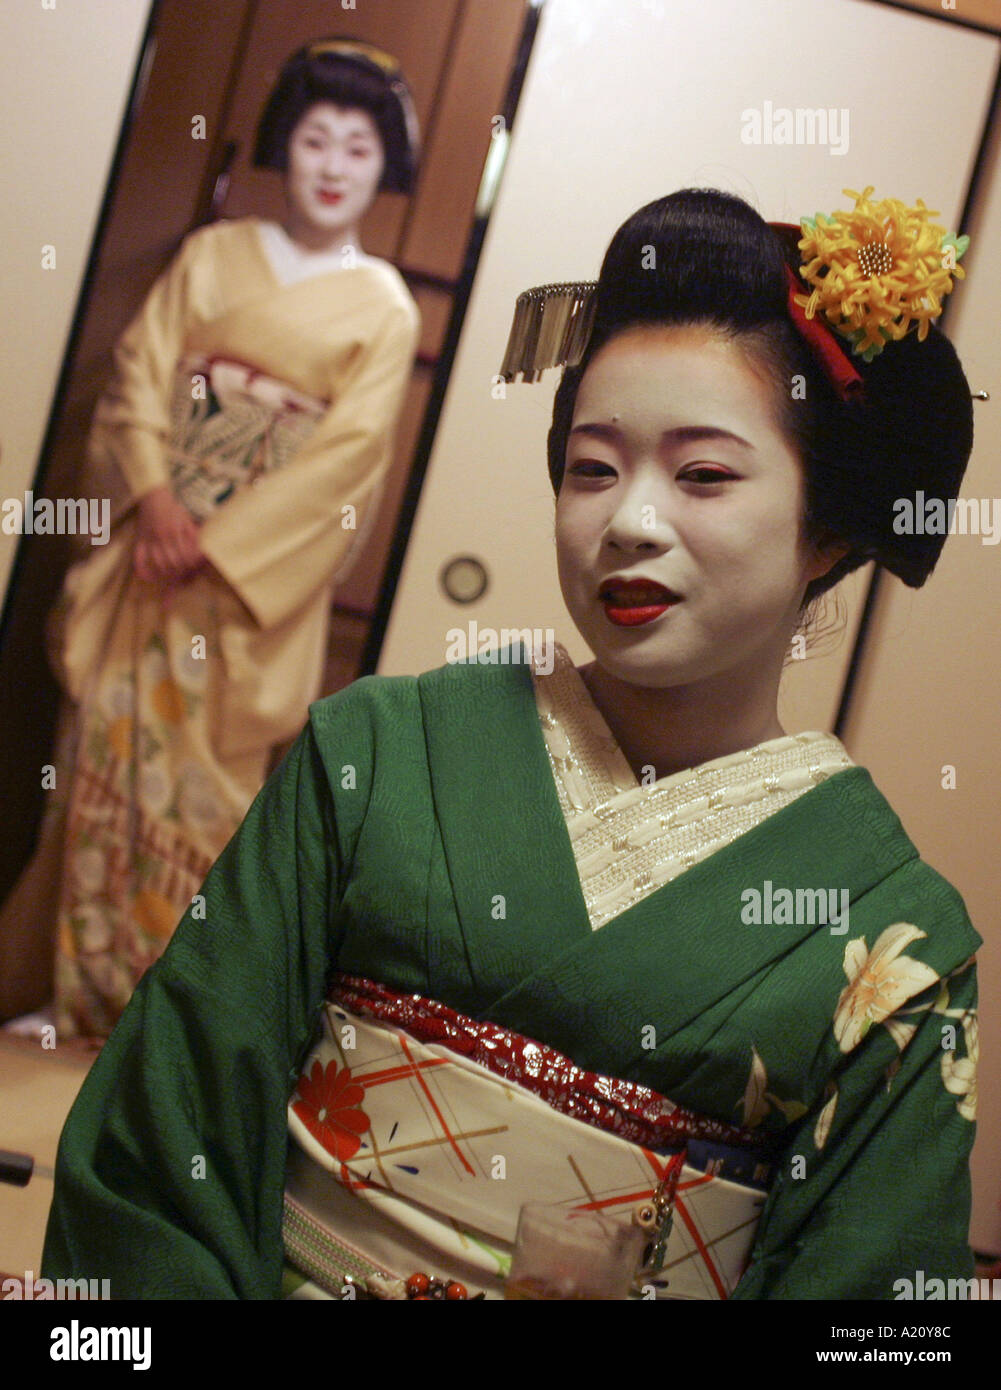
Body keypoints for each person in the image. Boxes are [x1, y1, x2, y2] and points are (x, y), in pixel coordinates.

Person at [42, 186, 980, 1299]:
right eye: (591, 467)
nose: (627, 520)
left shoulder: (891, 932)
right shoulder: (373, 754)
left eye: (703, 474)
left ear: (826, 528)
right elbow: (163, 1140)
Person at [0, 38, 421, 1040]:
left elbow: (347, 462)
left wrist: (219, 541)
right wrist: (152, 500)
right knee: (95, 767)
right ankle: (64, 996)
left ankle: (153, 1027)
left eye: (357, 148)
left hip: (236, 589)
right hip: (150, 556)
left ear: (381, 169)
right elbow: (141, 379)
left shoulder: (385, 307)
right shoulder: (211, 254)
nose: (330, 164)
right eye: (315, 138)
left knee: (205, 806)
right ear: (286, 145)